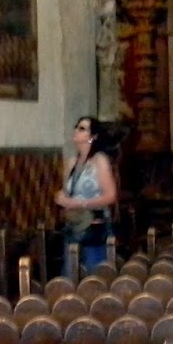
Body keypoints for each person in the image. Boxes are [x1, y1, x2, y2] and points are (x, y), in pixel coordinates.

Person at [55, 116, 118, 271]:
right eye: (76, 127)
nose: (76, 130)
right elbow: (68, 191)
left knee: (94, 276)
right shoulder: (71, 162)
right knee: (70, 273)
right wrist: (62, 198)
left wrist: (80, 203)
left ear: (93, 136)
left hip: (94, 227)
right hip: (74, 227)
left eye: (82, 128)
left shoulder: (99, 160)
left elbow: (111, 195)